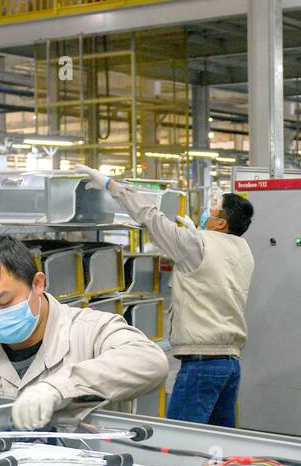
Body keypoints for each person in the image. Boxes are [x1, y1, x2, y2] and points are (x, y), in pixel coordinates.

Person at [0, 233, 168, 428]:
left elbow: (150, 362)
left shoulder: (91, 331)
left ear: (37, 283)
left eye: (4, 303)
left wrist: (57, 389)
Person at [78, 166, 255, 427]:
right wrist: (194, 235)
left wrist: (112, 186)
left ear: (220, 223)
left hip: (201, 365)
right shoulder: (243, 250)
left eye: (214, 205)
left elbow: (149, 216)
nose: (208, 207)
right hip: (230, 363)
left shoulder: (196, 244)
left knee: (180, 441)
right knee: (219, 443)